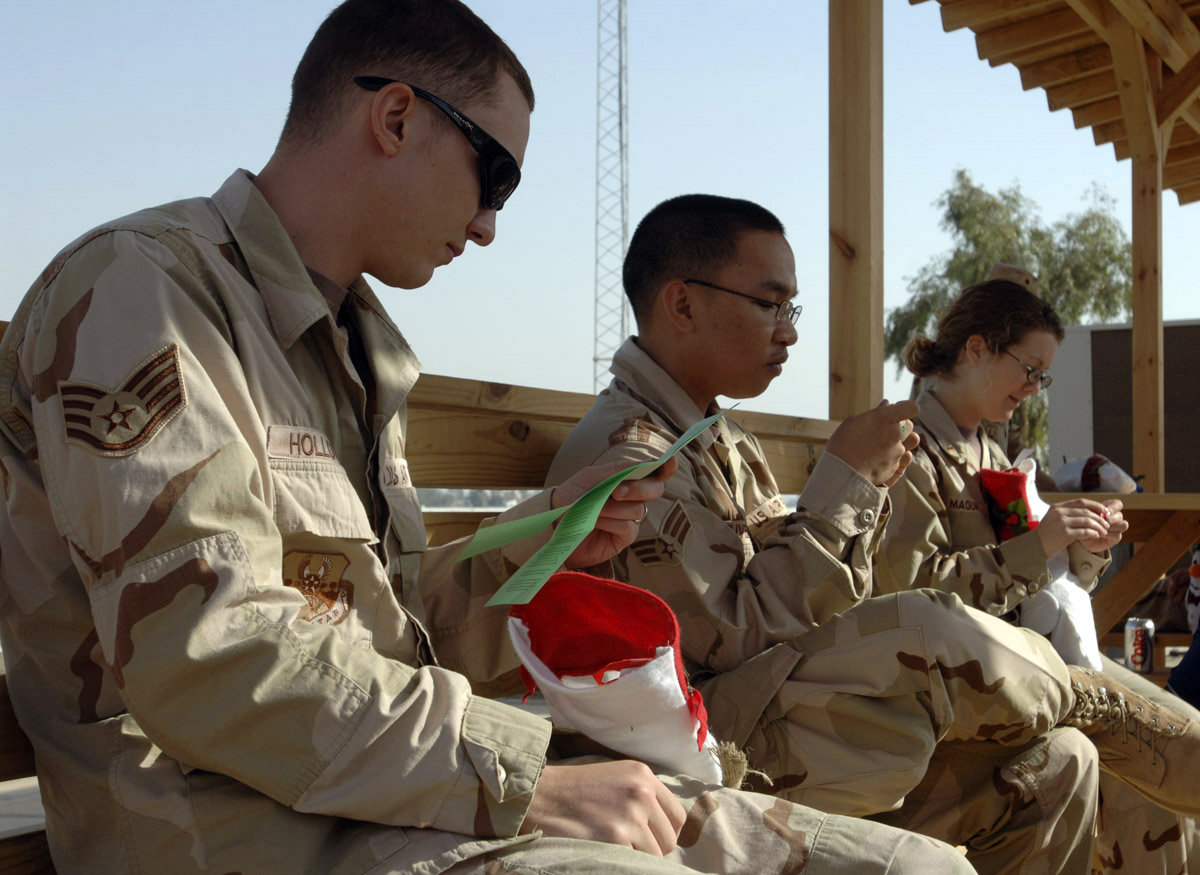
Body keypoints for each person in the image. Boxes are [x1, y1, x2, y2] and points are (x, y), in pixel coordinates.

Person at [0, 3, 985, 873]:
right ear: (396, 117)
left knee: (916, 866)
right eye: (495, 175)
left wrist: (544, 534)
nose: (487, 227)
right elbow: (213, 654)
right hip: (216, 822)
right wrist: (517, 774)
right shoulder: (143, 294)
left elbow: (381, 630)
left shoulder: (346, 347)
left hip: (381, 787)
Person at [547, 193, 1200, 875]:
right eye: (771, 305)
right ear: (682, 305)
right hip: (715, 746)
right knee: (930, 625)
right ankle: (1093, 700)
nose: (789, 331)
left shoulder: (720, 439)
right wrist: (846, 485)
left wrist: (1073, 553)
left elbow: (817, 600)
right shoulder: (632, 457)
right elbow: (745, 632)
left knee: (1060, 765)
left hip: (809, 712)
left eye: (791, 310)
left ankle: (1097, 707)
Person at [876, 274, 1200, 874]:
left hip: (1026, 672)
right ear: (976, 349)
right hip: (971, 689)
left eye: (1043, 375)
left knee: (1157, 766)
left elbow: (1038, 583)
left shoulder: (990, 454)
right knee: (1166, 753)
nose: (1034, 387)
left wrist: (1083, 550)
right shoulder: (905, 449)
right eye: (1029, 368)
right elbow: (908, 598)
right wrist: (1041, 544)